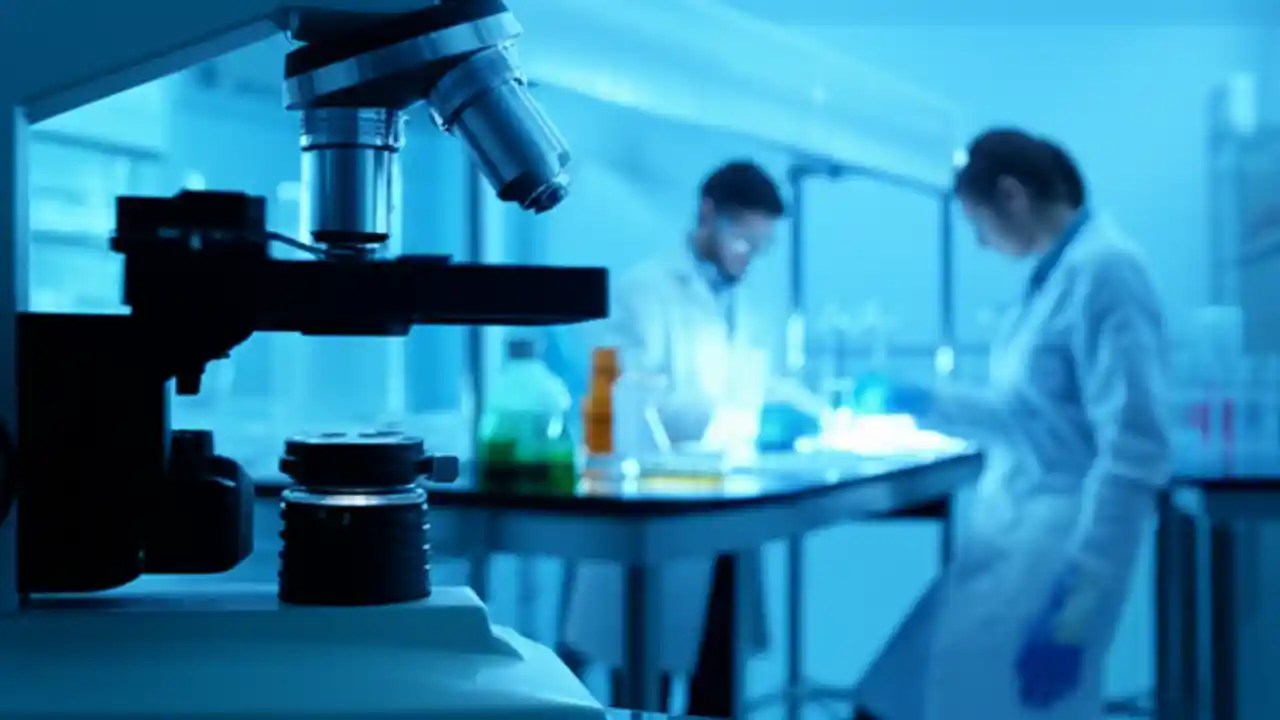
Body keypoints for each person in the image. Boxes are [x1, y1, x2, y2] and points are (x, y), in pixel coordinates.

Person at [850, 129, 1171, 720]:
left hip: (1057, 553)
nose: (979, 242)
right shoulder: (1061, 273)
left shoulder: (1108, 271)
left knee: (959, 700)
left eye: (978, 224)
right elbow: (1034, 420)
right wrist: (923, 401)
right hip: (1013, 536)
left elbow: (1135, 453)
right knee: (893, 695)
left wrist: (1077, 611)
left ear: (1012, 195)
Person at [559, 160, 788, 717]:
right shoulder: (643, 290)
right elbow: (635, 399)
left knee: (718, 680)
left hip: (726, 510)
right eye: (740, 239)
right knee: (643, 686)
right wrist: (731, 414)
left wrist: (805, 409)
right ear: (707, 213)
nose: (747, 256)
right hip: (655, 509)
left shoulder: (745, 300)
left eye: (760, 245)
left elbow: (762, 381)